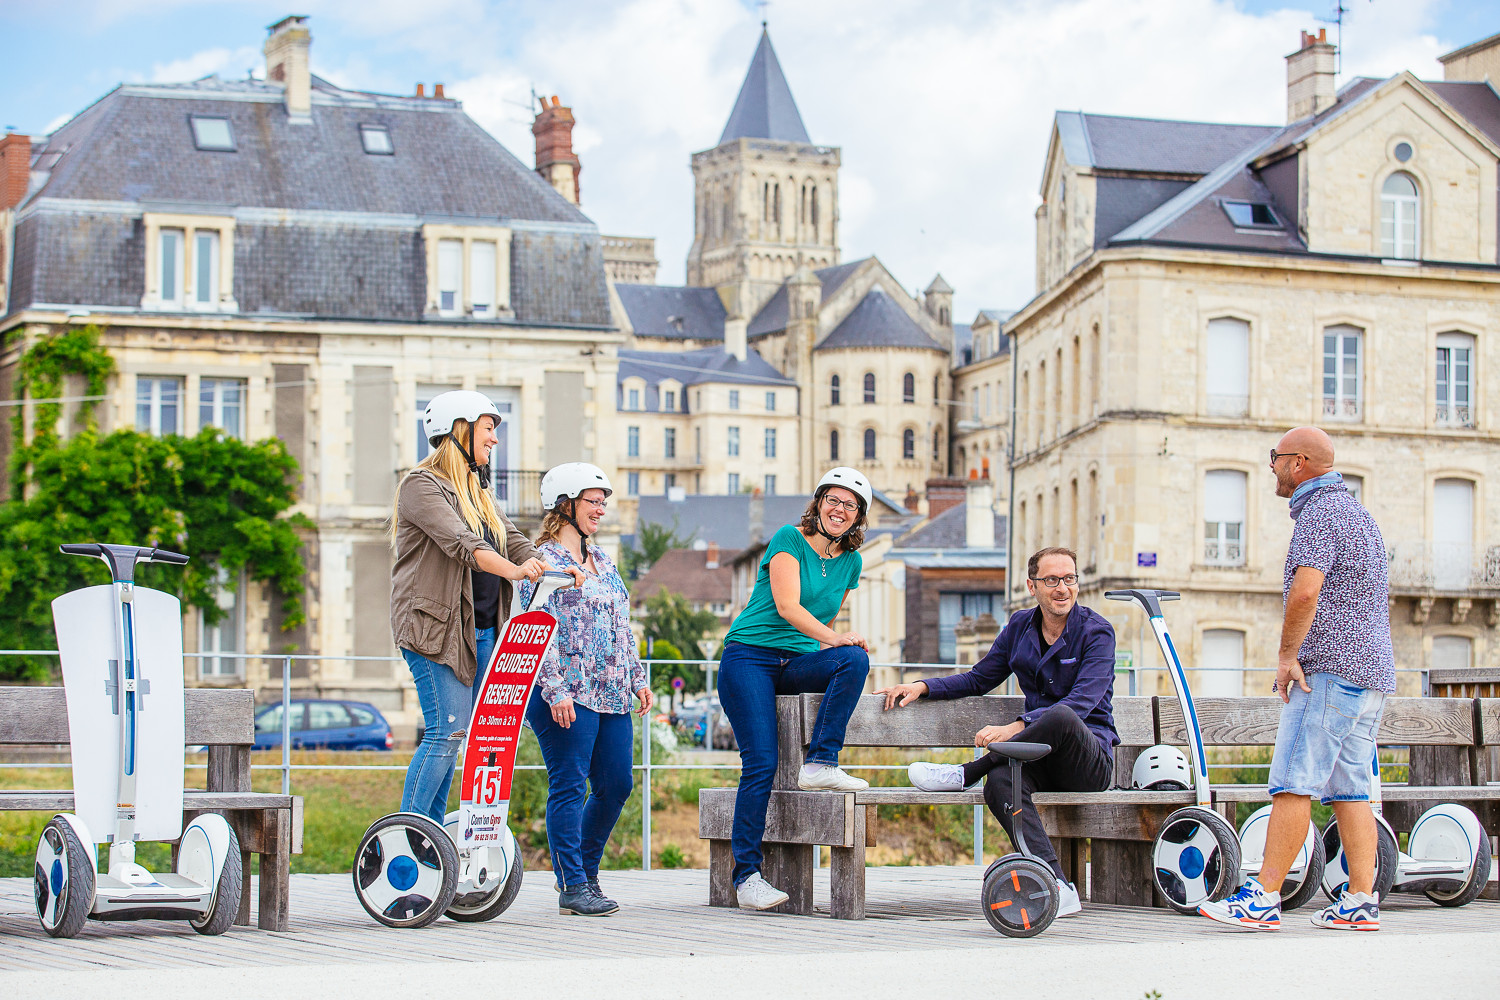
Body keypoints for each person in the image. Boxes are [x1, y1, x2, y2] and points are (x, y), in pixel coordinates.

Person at [1199, 427, 1394, 932]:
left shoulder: (1318, 514)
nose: (1272, 467)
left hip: (1328, 671)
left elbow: (1306, 593)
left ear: (1300, 462)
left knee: (1292, 780)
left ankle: (1261, 897)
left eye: (1276, 458)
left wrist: (1287, 658)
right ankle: (1360, 899)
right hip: (1371, 673)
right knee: (1351, 788)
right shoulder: (1359, 514)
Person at [875, 546, 1117, 918]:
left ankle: (965, 773)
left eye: (1069, 579)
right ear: (1031, 586)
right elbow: (979, 678)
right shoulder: (1020, 627)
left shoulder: (1096, 632)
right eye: (1051, 580)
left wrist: (1017, 726)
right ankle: (1056, 885)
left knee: (1064, 715)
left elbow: (1083, 702)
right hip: (1040, 758)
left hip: (1088, 761)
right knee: (1001, 783)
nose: (1062, 588)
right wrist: (922, 687)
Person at [390, 391, 582, 827]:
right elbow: (464, 545)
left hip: (482, 630)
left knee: (460, 738)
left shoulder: (478, 490)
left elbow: (512, 538)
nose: (495, 439)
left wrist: (559, 566)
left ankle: (432, 838)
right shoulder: (420, 486)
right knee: (446, 732)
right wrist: (518, 572)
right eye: (489, 427)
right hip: (435, 631)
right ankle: (410, 837)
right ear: (460, 428)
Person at [717, 467, 874, 911]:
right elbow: (788, 607)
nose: (839, 510)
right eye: (833, 500)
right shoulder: (788, 537)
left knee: (854, 659)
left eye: (850, 505)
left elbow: (824, 623)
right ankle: (747, 877)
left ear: (858, 515)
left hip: (796, 661)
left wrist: (836, 641)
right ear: (819, 502)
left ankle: (821, 762)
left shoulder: (852, 561)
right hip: (749, 656)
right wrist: (833, 637)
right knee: (761, 763)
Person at [522, 463, 653, 917]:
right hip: (565, 693)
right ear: (565, 504)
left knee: (616, 784)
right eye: (592, 501)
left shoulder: (603, 561)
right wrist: (554, 689)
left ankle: (586, 875)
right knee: (569, 786)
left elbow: (620, 623)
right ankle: (573, 885)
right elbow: (534, 629)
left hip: (610, 690)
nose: (600, 509)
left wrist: (637, 678)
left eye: (603, 502)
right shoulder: (542, 563)